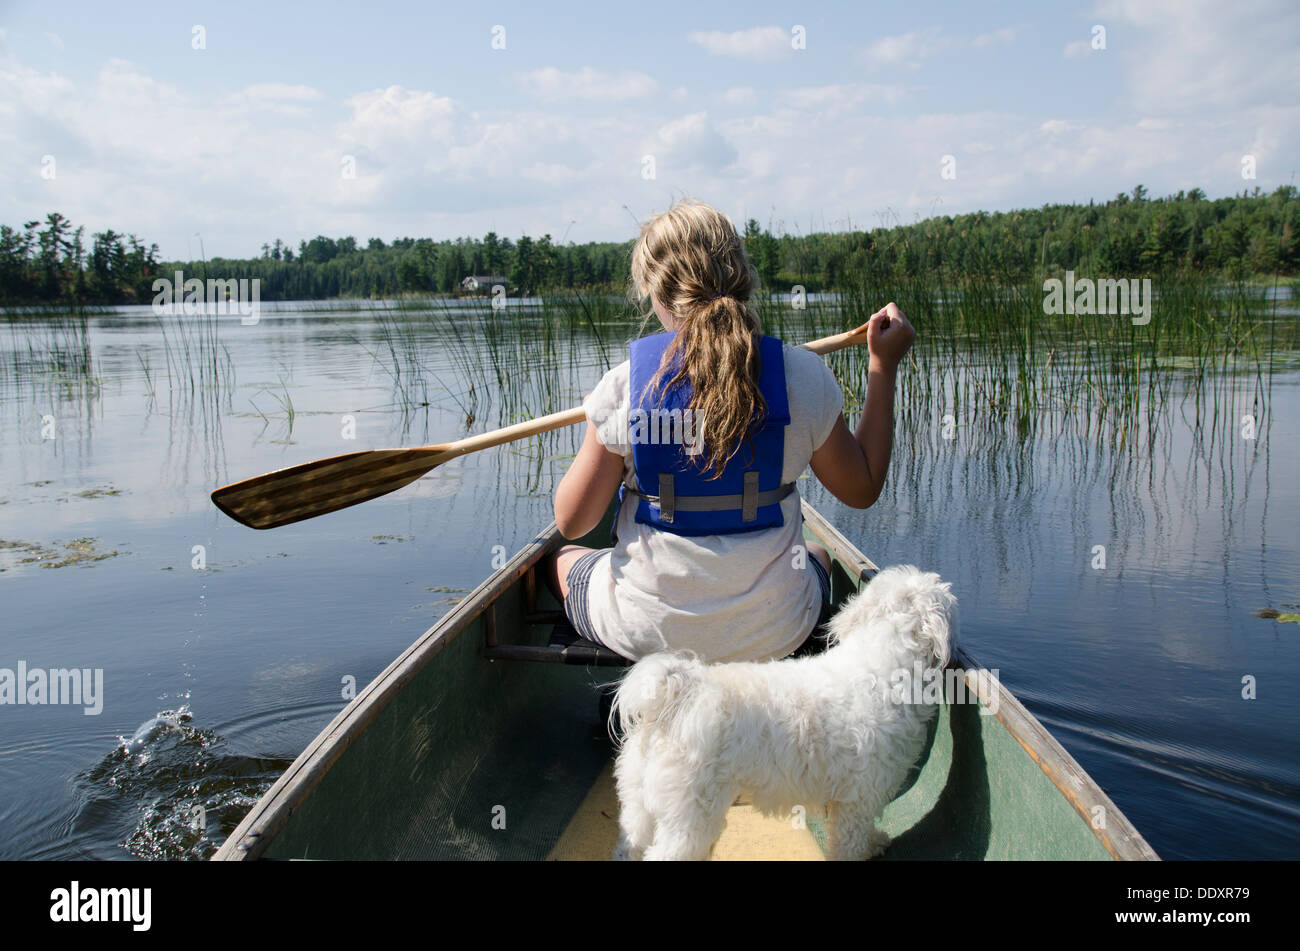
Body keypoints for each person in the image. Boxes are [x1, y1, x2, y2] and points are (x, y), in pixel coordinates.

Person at [541, 199, 914, 663]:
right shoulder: (803, 376)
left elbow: (573, 522)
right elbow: (862, 489)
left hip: (646, 632)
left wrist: (598, 426)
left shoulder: (623, 388)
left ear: (655, 293)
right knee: (816, 554)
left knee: (559, 559)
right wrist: (883, 366)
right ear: (742, 278)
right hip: (775, 631)